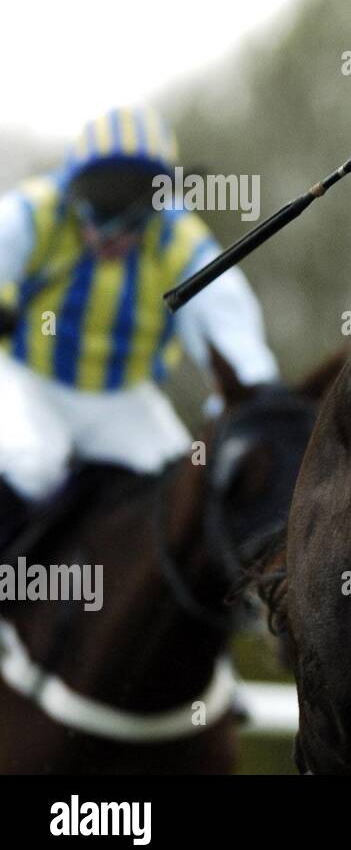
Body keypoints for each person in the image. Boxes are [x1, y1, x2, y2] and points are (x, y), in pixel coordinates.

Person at [0, 106, 279, 549]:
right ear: (74, 185)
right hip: (29, 380)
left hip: (123, 399)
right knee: (32, 463)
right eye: (102, 193)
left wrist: (252, 394)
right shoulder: (33, 213)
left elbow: (231, 332)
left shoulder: (179, 242)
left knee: (188, 491)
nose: (113, 221)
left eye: (133, 196)